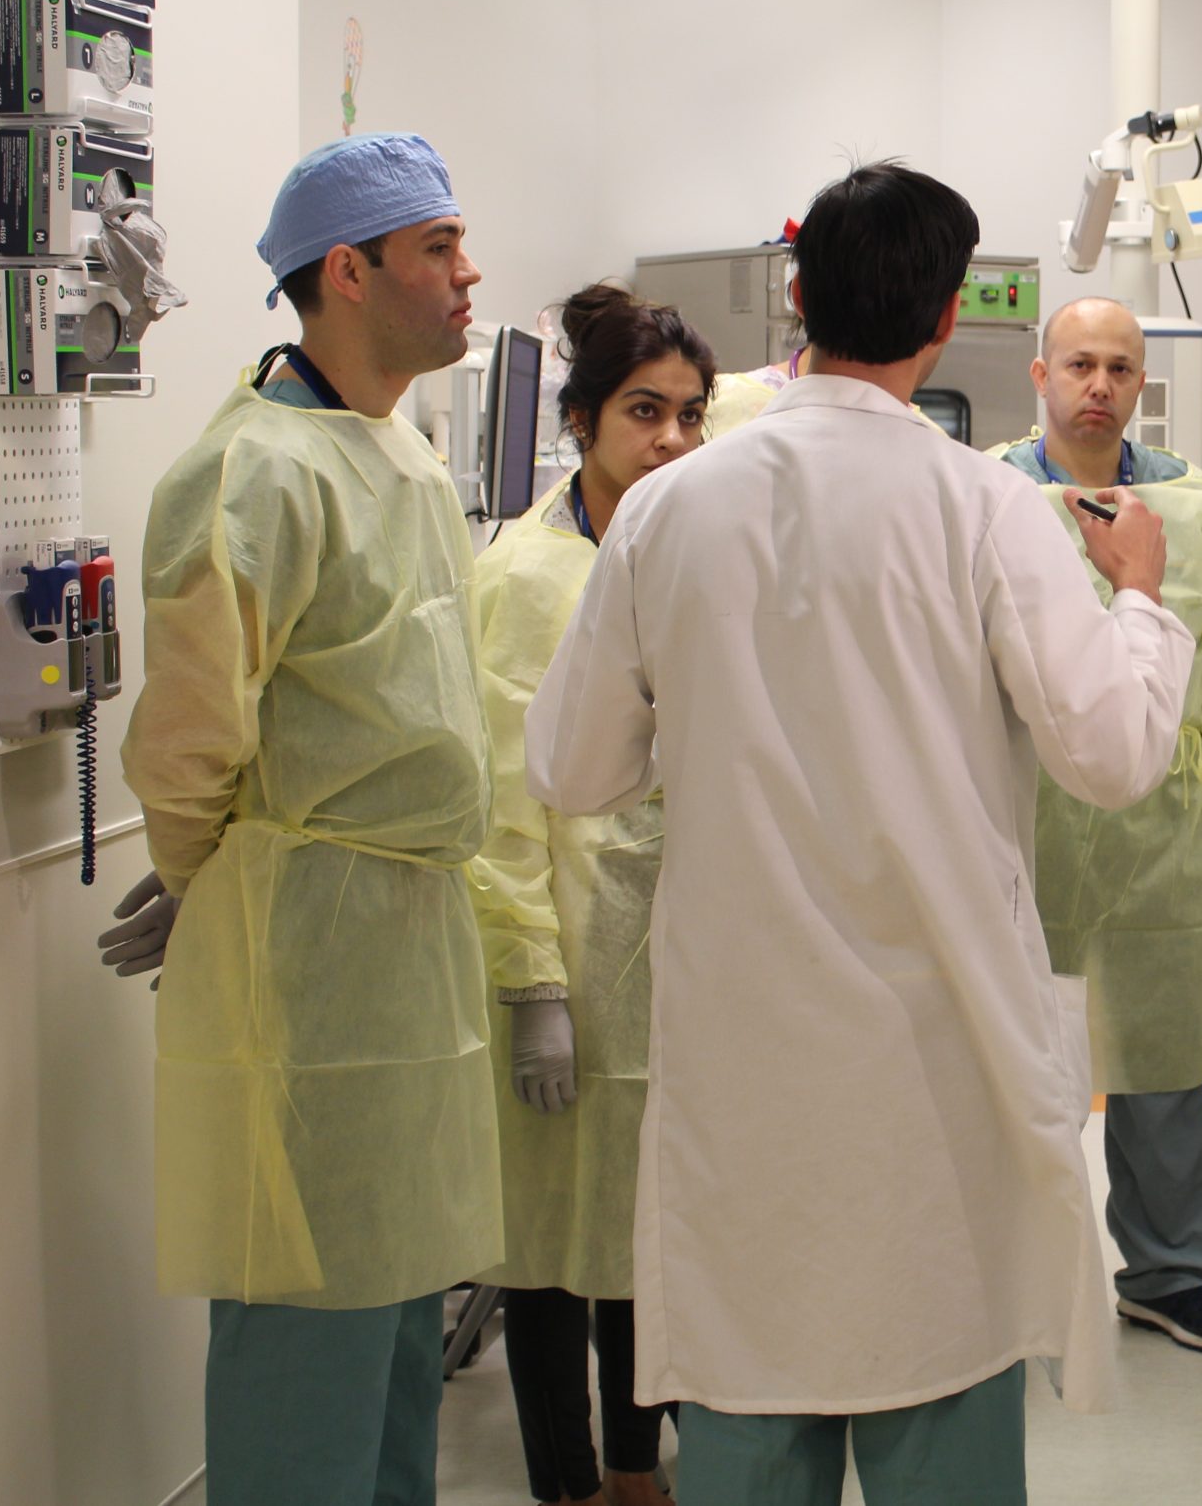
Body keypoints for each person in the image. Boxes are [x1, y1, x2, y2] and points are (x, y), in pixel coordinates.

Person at [525, 162, 1193, 1506]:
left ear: (795, 295)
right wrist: (1139, 601)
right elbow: (1113, 753)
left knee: (749, 1402)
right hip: (932, 1075)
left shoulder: (668, 506)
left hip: (744, 1070)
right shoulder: (988, 506)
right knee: (935, 1387)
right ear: (948, 316)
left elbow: (573, 765)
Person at [96, 133, 499, 1504]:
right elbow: (191, 737)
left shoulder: (401, 451)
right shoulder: (252, 470)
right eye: (439, 247)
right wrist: (218, 879)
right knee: (303, 1318)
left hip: (409, 946)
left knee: (391, 1320)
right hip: (309, 954)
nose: (467, 273)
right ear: (349, 269)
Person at [986, 297, 1202, 1355]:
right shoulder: (983, 494)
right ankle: (1015, 1279)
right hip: (1016, 825)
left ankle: (1165, 1270)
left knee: (1162, 1060)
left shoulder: (1201, 513)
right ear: (1040, 375)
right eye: (1079, 364)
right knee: (1018, 1063)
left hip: (1161, 823)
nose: (1098, 385)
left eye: (1119, 367)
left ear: (1140, 383)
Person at [467, 284, 716, 1506]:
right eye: (642, 411)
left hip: (687, 936)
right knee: (553, 1240)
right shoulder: (527, 574)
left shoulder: (699, 543)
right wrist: (531, 982)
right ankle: (568, 1481)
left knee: (644, 1228)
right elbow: (507, 802)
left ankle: (638, 1470)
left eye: (689, 413)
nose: (671, 439)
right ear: (579, 422)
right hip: (572, 934)